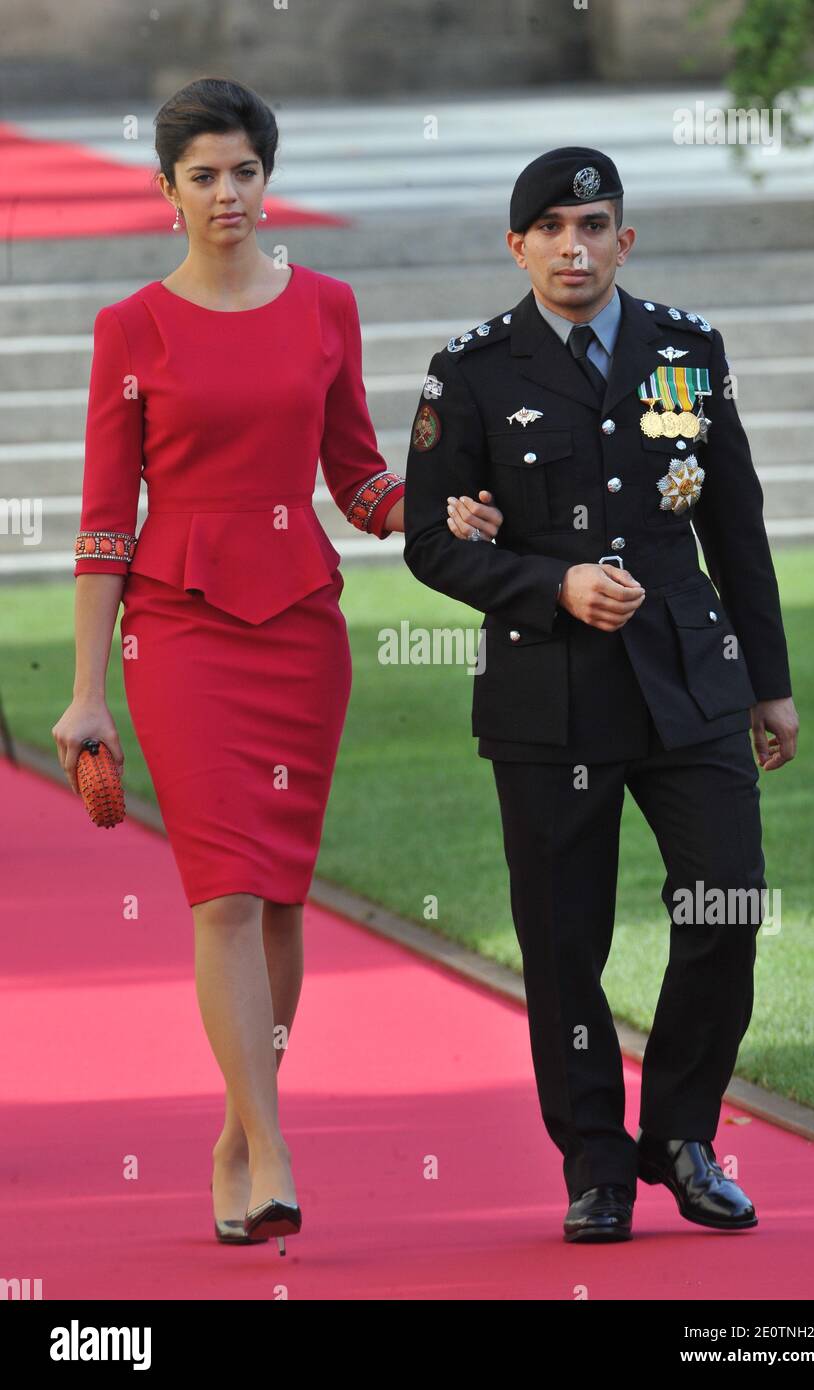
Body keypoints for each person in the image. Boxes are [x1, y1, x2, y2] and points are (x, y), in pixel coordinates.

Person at [50, 76, 501, 1258]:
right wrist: (87, 688)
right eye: (201, 174)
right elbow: (104, 521)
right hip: (177, 629)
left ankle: (237, 1136)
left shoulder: (328, 308)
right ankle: (275, 1144)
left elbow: (356, 477)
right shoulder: (129, 331)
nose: (226, 193)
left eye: (244, 170)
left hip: (301, 625)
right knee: (227, 891)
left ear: (267, 177)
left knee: (283, 895)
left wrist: (438, 510)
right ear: (165, 190)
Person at [403, 146, 799, 1243]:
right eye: (552, 229)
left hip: (688, 679)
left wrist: (767, 684)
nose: (573, 247)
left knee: (724, 902)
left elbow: (734, 524)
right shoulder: (470, 370)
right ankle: (594, 1166)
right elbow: (430, 541)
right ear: (516, 244)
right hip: (550, 693)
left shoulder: (687, 346)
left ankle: (680, 1132)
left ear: (626, 238)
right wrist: (548, 581)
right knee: (564, 941)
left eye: (594, 225)